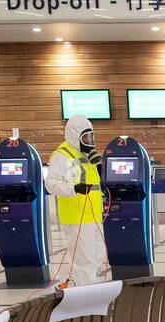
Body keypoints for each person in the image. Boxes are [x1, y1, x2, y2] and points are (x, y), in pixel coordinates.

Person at [44, 114, 106, 287]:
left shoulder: (88, 156)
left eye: (91, 137)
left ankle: (89, 288)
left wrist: (100, 168)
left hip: (93, 216)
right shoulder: (62, 155)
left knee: (96, 258)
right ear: (74, 136)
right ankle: (85, 293)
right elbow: (51, 184)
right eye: (85, 138)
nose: (89, 141)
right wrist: (73, 189)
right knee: (83, 262)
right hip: (77, 217)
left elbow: (96, 184)